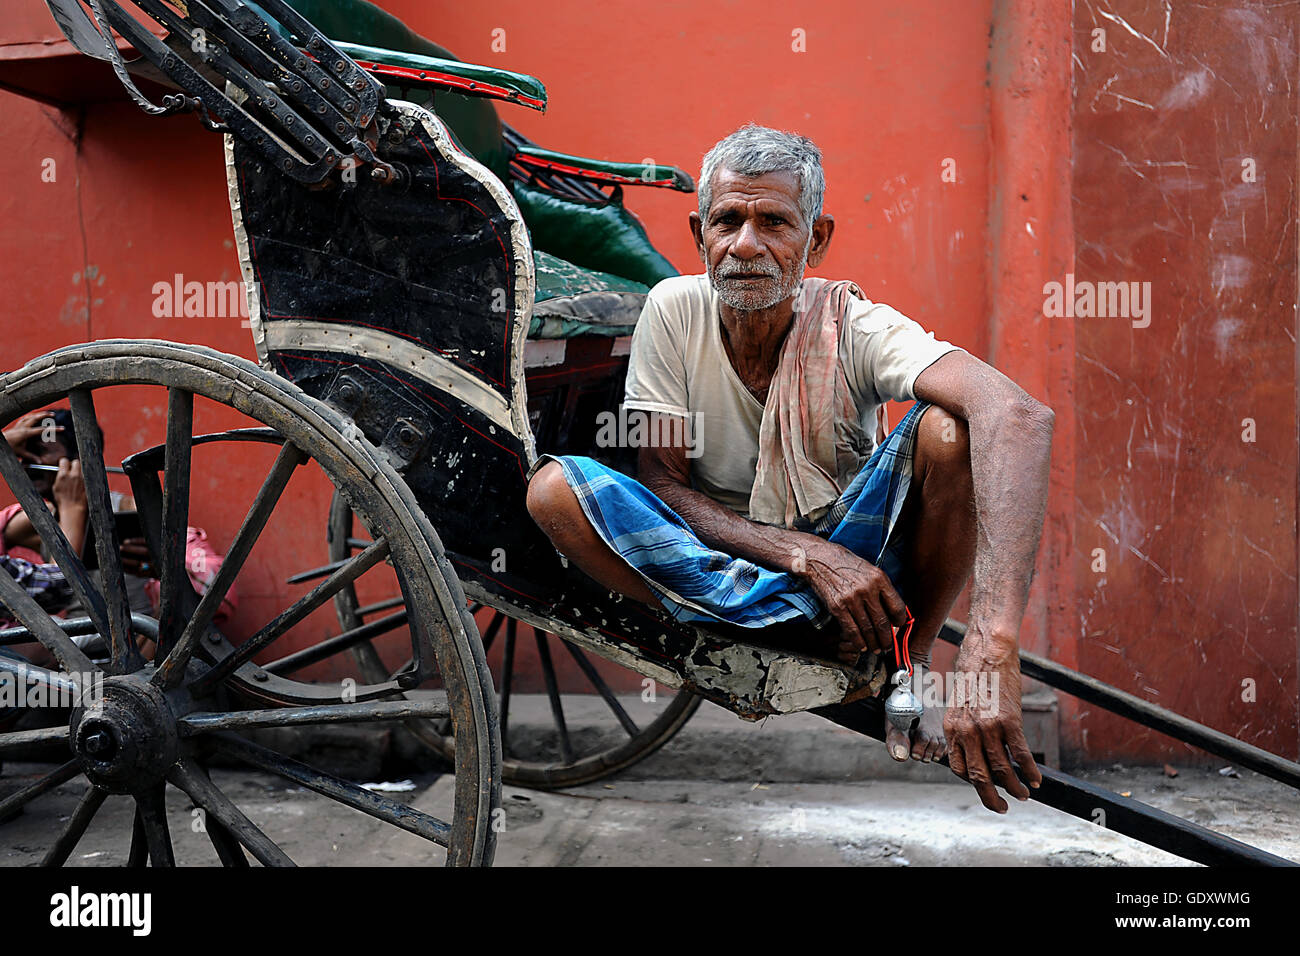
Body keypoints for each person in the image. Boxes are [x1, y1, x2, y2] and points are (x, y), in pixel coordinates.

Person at [525, 124, 1055, 815]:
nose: (746, 246)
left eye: (774, 221)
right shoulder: (673, 310)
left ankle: (907, 664)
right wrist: (802, 556)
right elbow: (662, 481)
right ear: (699, 234)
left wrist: (991, 640)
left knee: (951, 430)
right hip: (718, 566)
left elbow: (1018, 415)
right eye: (728, 221)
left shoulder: (854, 324)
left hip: (861, 571)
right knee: (554, 492)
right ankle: (713, 646)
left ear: (818, 238)